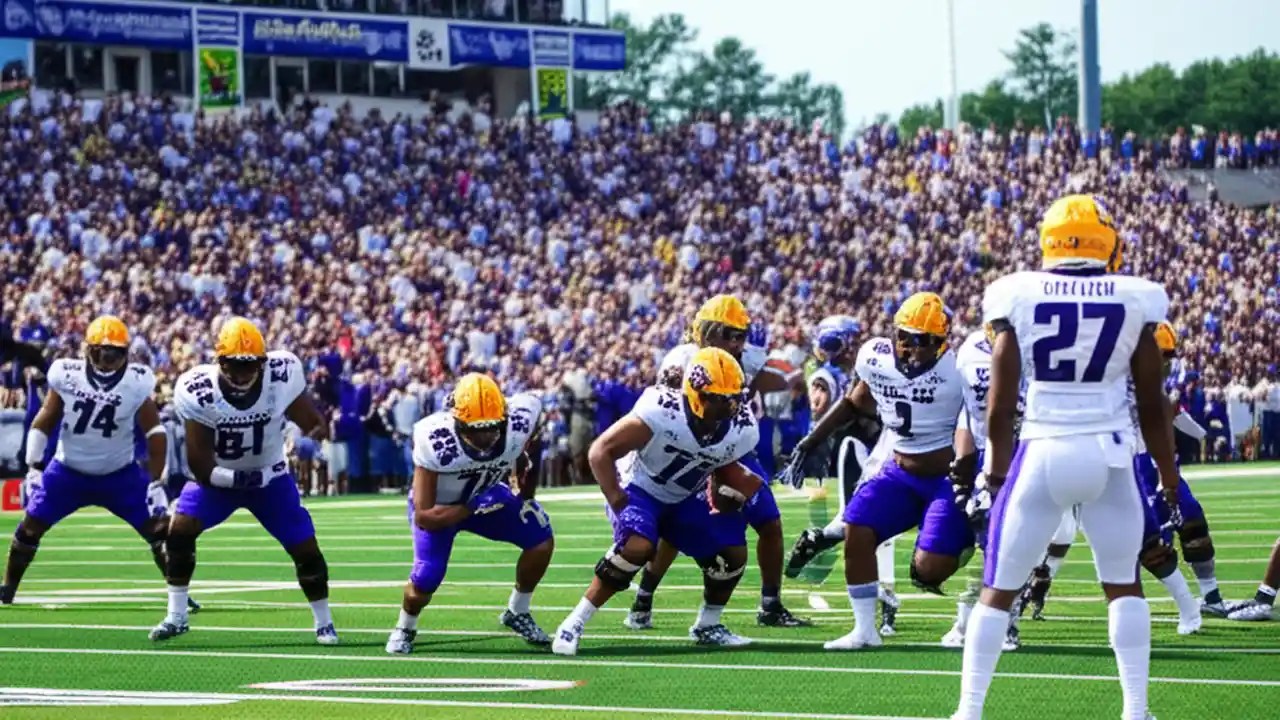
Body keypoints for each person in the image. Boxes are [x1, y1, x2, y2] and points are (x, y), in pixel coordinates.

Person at [950, 194, 1176, 720]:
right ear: (1105, 240)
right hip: (1112, 457)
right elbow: (1151, 401)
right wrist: (1166, 474)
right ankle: (1137, 709)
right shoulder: (1136, 297)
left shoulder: (1016, 293)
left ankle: (969, 711)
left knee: (997, 591)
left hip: (1043, 452)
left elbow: (1000, 406)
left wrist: (994, 475)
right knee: (1123, 584)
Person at [781, 292, 971, 650]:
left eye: (924, 341)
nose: (912, 348)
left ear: (942, 343)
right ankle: (864, 630)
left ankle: (965, 543)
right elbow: (855, 401)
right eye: (905, 338)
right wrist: (812, 440)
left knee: (928, 571)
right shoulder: (875, 357)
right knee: (857, 528)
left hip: (944, 478)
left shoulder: (957, 372)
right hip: (899, 472)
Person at [553, 347, 758, 656]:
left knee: (732, 553)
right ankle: (575, 621)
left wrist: (729, 493)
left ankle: (708, 624)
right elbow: (599, 452)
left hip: (684, 497)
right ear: (698, 395)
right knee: (637, 545)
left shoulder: (743, 429)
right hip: (640, 487)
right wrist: (619, 501)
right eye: (721, 399)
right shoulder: (662, 411)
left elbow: (722, 465)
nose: (731, 406)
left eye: (735, 398)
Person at [1023, 321, 1225, 633]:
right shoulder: (1104, 378)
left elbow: (1166, 417)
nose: (1166, 365)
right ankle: (1031, 587)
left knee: (1155, 538)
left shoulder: (1142, 386)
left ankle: (1194, 605)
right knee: (1047, 530)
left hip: (1129, 464)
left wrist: (1173, 467)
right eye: (1161, 357)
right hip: (1086, 460)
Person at [625, 295, 808, 630]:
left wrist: (780, 380)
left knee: (770, 521)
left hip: (735, 449)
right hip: (692, 455)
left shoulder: (745, 357)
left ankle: (770, 603)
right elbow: (665, 417)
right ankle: (644, 596)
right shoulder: (682, 360)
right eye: (728, 334)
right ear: (705, 333)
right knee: (675, 529)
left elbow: (782, 374)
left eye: (741, 335)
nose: (736, 343)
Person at [151, 317, 334, 644]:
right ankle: (177, 615)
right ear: (217, 361)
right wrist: (242, 478)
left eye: (249, 366)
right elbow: (200, 466)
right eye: (232, 365)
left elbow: (316, 423)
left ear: (263, 364)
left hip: (272, 479)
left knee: (305, 546)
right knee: (178, 531)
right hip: (219, 480)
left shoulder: (283, 375)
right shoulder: (199, 391)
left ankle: (324, 622)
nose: (240, 375)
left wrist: (302, 436)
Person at [0, 316, 191, 609]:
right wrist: (34, 467)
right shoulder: (67, 374)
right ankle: (8, 589)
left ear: (126, 354)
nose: (107, 359)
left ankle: (179, 595)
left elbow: (155, 432)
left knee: (160, 529)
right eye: (101, 351)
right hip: (68, 472)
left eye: (114, 352)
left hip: (120, 474)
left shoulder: (136, 381)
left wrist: (156, 482)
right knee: (29, 527)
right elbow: (45, 420)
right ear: (88, 350)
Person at [385, 373, 555, 654]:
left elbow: (535, 432)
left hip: (487, 496)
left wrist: (527, 484)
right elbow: (424, 516)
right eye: (474, 429)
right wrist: (474, 506)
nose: (485, 436)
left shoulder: (520, 420)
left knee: (541, 539)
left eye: (491, 427)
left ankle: (518, 610)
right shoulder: (434, 439)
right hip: (443, 507)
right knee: (426, 577)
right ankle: (406, 625)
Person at [940, 329, 1022, 651]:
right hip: (987, 454)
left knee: (1018, 540)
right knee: (987, 537)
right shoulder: (970, 350)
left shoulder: (1036, 346)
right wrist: (963, 461)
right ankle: (968, 619)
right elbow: (966, 414)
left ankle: (1005, 620)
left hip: (1025, 450)